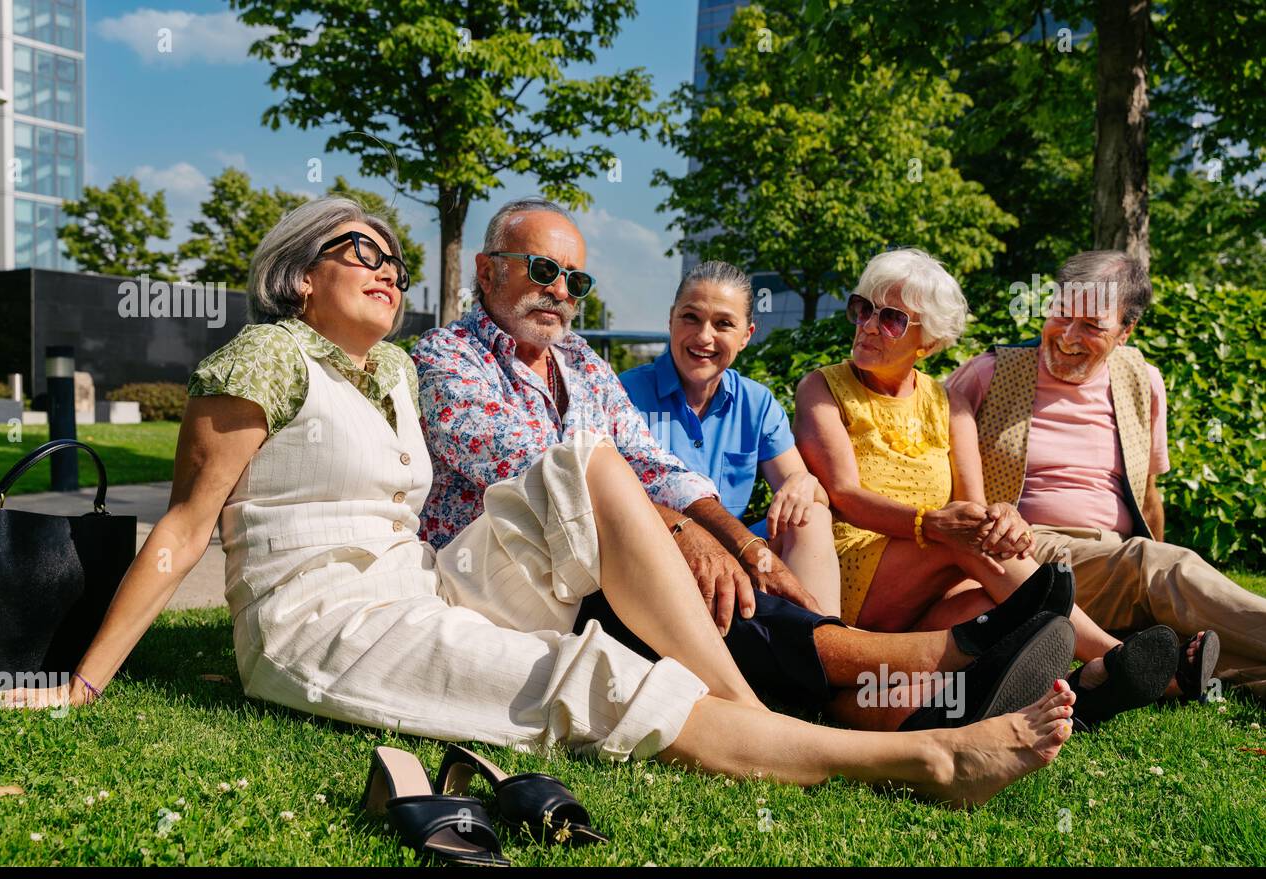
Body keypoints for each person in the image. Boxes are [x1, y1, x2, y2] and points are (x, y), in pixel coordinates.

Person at [0, 196, 1074, 807]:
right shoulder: (277, 359)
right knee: (589, 670)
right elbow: (187, 526)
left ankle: (834, 699)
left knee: (599, 469)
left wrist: (728, 537)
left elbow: (628, 463)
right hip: (322, 621)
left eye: (388, 253)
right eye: (356, 252)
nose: (383, 265)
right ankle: (918, 746)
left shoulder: (390, 378)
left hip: (431, 579)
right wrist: (87, 683)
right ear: (295, 278)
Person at [412, 198, 1077, 731]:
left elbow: (653, 461)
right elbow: (545, 478)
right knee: (715, 597)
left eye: (574, 279)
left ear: (745, 334)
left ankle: (920, 700)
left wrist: (737, 542)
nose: (559, 290)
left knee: (742, 588)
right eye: (541, 269)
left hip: (607, 564)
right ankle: (941, 655)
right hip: (513, 568)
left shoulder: (583, 363)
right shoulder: (447, 358)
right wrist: (683, 533)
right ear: (487, 268)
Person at [794, 247, 1212, 728]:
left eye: (890, 319)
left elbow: (974, 507)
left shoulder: (948, 402)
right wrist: (935, 524)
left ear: (926, 343)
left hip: (931, 585)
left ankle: (1077, 689)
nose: (867, 325)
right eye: (862, 308)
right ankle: (1122, 659)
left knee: (1003, 610)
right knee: (973, 546)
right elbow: (844, 493)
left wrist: (1001, 517)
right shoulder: (822, 387)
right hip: (853, 570)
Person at [946, 249, 1265, 701]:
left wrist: (1157, 563)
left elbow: (1147, 492)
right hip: (1027, 551)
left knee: (1183, 613)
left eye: (1093, 326)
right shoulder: (989, 373)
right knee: (1162, 566)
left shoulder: (1143, 380)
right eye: (1061, 315)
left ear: (1125, 331)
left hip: (1116, 561)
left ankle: (1233, 680)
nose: (1068, 337)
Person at [619, 260, 840, 616]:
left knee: (810, 515)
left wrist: (804, 482)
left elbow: (813, 496)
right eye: (691, 317)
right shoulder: (623, 394)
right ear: (671, 320)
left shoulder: (757, 403)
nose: (704, 337)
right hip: (660, 555)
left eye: (723, 324)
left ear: (746, 335)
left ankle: (823, 635)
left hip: (744, 556)